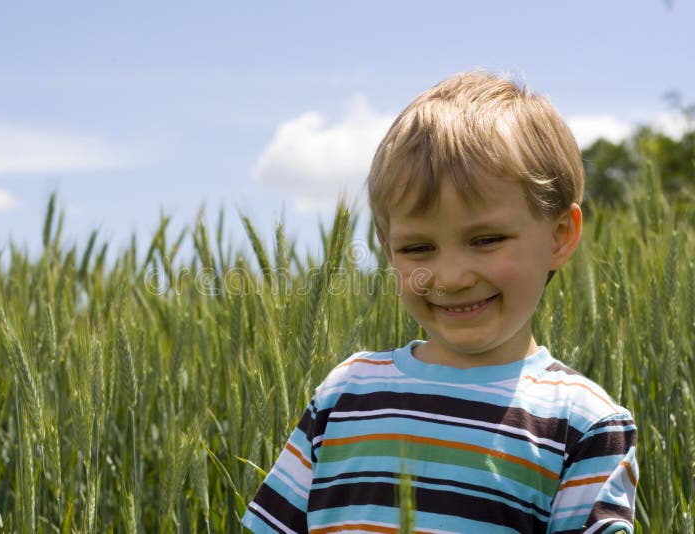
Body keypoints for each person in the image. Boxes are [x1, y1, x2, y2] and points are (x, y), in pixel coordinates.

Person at [241, 70, 638, 533]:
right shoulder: (346, 394)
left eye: (486, 239)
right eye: (418, 248)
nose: (450, 277)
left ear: (560, 235)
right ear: (387, 250)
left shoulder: (583, 425)